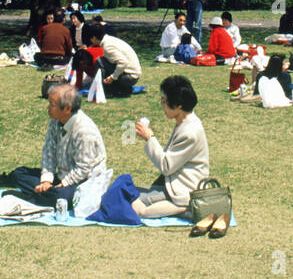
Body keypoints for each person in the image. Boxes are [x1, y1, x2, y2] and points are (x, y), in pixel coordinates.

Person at [0, 84, 107, 208]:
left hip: (82, 182)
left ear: (67, 109)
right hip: (60, 177)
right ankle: (41, 195)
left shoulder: (84, 130)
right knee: (20, 173)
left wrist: (65, 182)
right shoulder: (56, 120)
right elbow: (49, 151)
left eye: (52, 105)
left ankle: (30, 198)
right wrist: (46, 180)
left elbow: (84, 168)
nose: (48, 107)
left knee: (60, 197)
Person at [132, 76, 211, 222]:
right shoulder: (184, 123)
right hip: (174, 181)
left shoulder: (190, 131)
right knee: (129, 194)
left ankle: (185, 207)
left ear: (179, 105)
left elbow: (166, 166)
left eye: (164, 101)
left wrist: (150, 137)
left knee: (132, 204)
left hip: (184, 187)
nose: (162, 105)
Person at [88, 25, 141, 97]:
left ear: (94, 38)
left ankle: (104, 90)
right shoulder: (109, 39)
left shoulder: (107, 46)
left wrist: (113, 77)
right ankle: (120, 88)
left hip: (130, 77)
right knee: (103, 60)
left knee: (99, 61)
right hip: (133, 74)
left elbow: (123, 62)